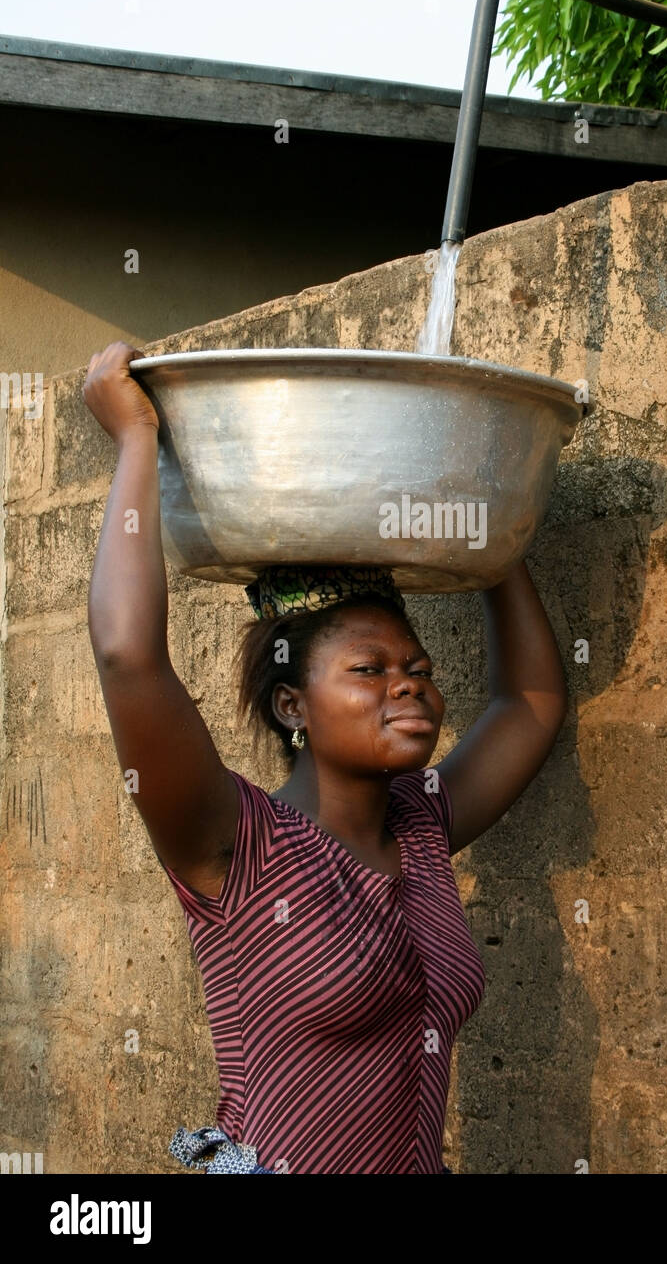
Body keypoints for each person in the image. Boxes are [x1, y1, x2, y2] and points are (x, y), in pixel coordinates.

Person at [83, 341, 568, 1175]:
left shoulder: (420, 827)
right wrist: (133, 439)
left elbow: (531, 704)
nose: (408, 686)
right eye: (369, 671)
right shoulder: (236, 846)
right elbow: (129, 655)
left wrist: (489, 521)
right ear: (291, 704)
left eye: (417, 668)